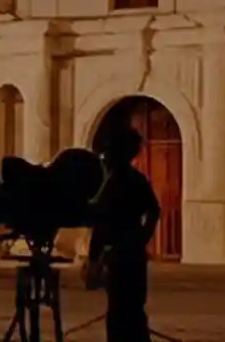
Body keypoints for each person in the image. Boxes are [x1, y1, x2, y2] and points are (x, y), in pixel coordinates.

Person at [88, 125, 160, 342]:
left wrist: (94, 259)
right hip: (133, 253)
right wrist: (142, 238)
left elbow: (102, 222)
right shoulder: (136, 179)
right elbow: (154, 210)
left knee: (120, 312)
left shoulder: (114, 183)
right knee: (134, 309)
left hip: (120, 255)